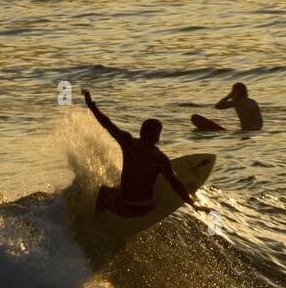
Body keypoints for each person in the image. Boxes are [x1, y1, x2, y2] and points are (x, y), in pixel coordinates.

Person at [84, 89, 206, 218]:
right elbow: (174, 182)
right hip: (145, 208)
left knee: (104, 191)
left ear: (141, 131)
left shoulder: (128, 143)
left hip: (127, 207)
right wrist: (192, 204)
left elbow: (107, 124)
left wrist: (91, 105)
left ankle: (98, 220)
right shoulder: (160, 158)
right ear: (157, 137)